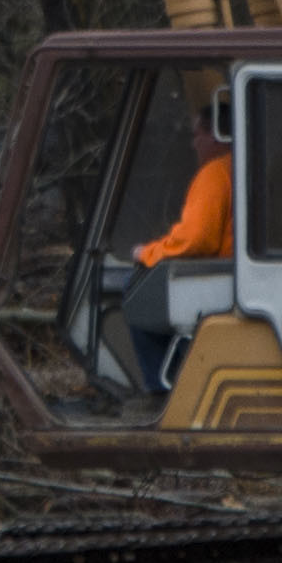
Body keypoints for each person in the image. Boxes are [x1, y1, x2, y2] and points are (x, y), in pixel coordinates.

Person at [119, 116, 235, 398]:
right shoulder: (245, 168)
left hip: (218, 279)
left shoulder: (216, 173)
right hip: (233, 276)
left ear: (217, 134)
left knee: (136, 290)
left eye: (197, 136)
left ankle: (160, 391)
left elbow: (197, 239)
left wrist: (147, 252)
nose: (193, 144)